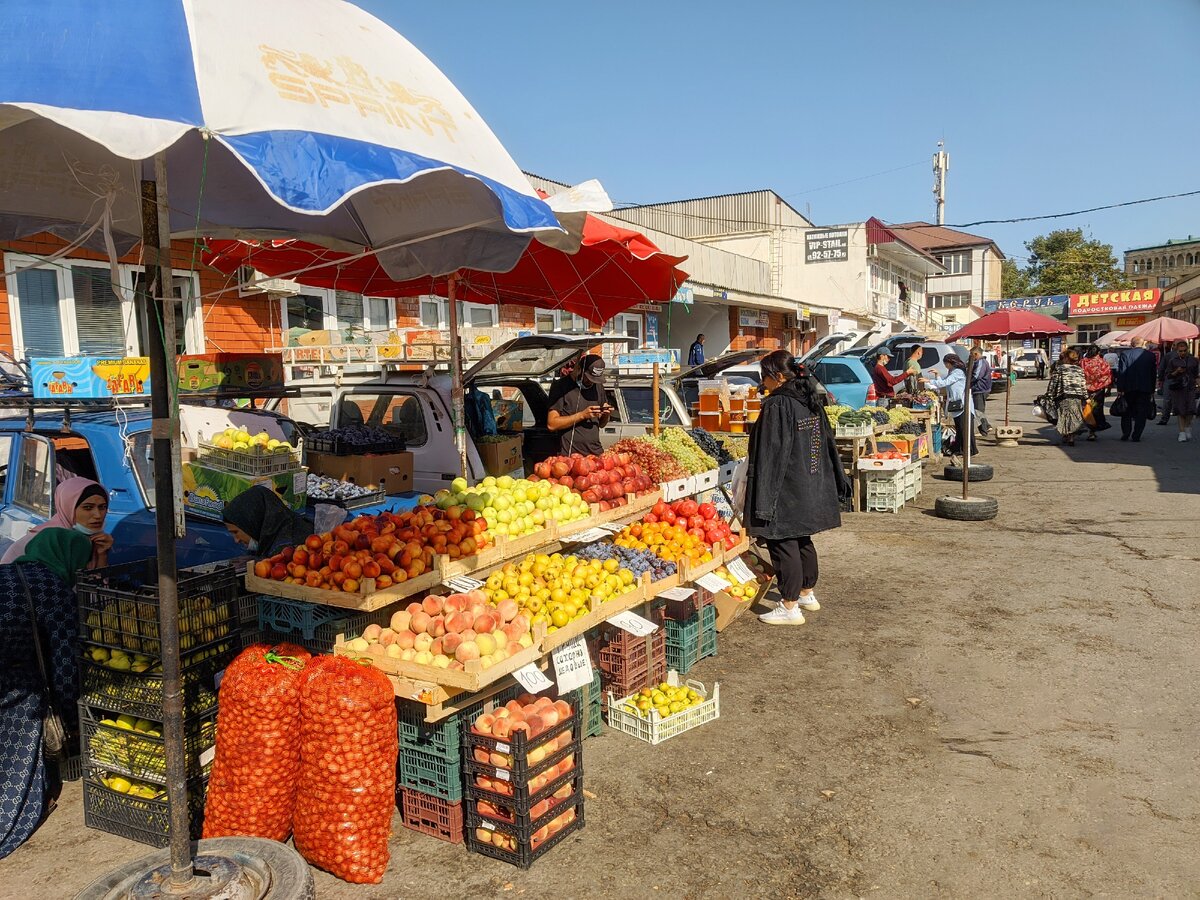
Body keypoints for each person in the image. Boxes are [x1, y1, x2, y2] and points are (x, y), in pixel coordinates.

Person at [0, 529, 94, 859]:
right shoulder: (52, 587)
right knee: (12, 769)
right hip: (15, 692)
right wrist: (72, 724)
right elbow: (66, 665)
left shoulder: (11, 571)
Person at [743, 351, 850, 626]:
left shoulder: (779, 404)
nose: (762, 382)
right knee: (802, 538)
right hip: (808, 481)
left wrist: (763, 498)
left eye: (764, 376)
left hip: (786, 485)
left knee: (783, 541)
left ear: (778, 377)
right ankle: (806, 593)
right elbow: (825, 442)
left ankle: (789, 605)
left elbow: (770, 453)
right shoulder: (807, 397)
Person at [0, 477, 113, 568]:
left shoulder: (92, 539)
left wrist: (101, 554)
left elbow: (95, 588)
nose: (98, 515)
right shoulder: (48, 541)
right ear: (68, 508)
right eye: (88, 508)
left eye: (102, 507)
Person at [222, 486, 314, 558]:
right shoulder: (273, 536)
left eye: (235, 532)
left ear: (253, 522)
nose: (236, 540)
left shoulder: (289, 550)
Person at [547, 354, 611, 456]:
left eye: (595, 379)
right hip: (570, 455)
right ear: (579, 369)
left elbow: (601, 424)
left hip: (595, 453)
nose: (591, 382)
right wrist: (582, 415)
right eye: (588, 377)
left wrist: (606, 414)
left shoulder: (598, 387)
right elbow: (551, 424)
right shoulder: (561, 386)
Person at [922, 355, 975, 458]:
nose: (945, 365)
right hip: (957, 405)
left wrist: (929, 381)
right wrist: (937, 375)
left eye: (945, 363)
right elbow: (944, 382)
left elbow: (944, 382)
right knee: (960, 429)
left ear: (950, 363)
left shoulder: (958, 372)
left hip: (963, 404)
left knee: (964, 429)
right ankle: (961, 449)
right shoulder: (952, 372)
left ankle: (969, 450)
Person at [1115, 338, 1159, 442]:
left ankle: (1126, 433)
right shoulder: (1150, 355)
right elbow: (1153, 374)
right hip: (1145, 387)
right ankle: (1137, 435)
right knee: (1141, 412)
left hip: (1128, 387)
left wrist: (1120, 388)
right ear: (1143, 344)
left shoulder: (1125, 354)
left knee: (1127, 411)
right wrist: (1152, 389)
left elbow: (1122, 372)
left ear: (1131, 344)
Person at [1046, 349, 1088, 446]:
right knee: (1075, 416)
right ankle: (1071, 437)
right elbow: (1083, 385)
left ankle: (1066, 435)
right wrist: (1086, 397)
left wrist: (1049, 394)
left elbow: (1053, 383)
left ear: (1066, 358)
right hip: (1077, 396)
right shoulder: (1079, 369)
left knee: (1065, 416)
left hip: (1064, 396)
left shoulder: (1060, 368)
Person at [1162, 341, 1199, 442]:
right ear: (1177, 351)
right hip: (1178, 388)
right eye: (1180, 351)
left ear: (1188, 349)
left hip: (1190, 387)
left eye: (1184, 350)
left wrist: (1198, 384)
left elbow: (1196, 374)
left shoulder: (1194, 360)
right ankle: (1182, 432)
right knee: (1180, 410)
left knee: (1191, 409)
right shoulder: (1173, 361)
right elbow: (1168, 375)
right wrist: (1176, 371)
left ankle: (1187, 427)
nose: (1182, 352)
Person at [1081, 345, 1114, 440]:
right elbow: (1108, 376)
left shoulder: (1083, 362)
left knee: (1085, 409)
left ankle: (1085, 428)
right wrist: (1108, 389)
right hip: (1099, 390)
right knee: (1096, 410)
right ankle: (1092, 432)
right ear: (1098, 352)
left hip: (1085, 389)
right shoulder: (1103, 363)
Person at [970, 348, 993, 436]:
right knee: (979, 410)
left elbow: (977, 376)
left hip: (980, 389)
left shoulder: (981, 362)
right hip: (980, 389)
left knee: (978, 410)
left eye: (971, 354)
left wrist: (968, 383)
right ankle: (986, 426)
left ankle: (983, 430)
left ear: (976, 354)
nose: (971, 356)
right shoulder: (980, 362)